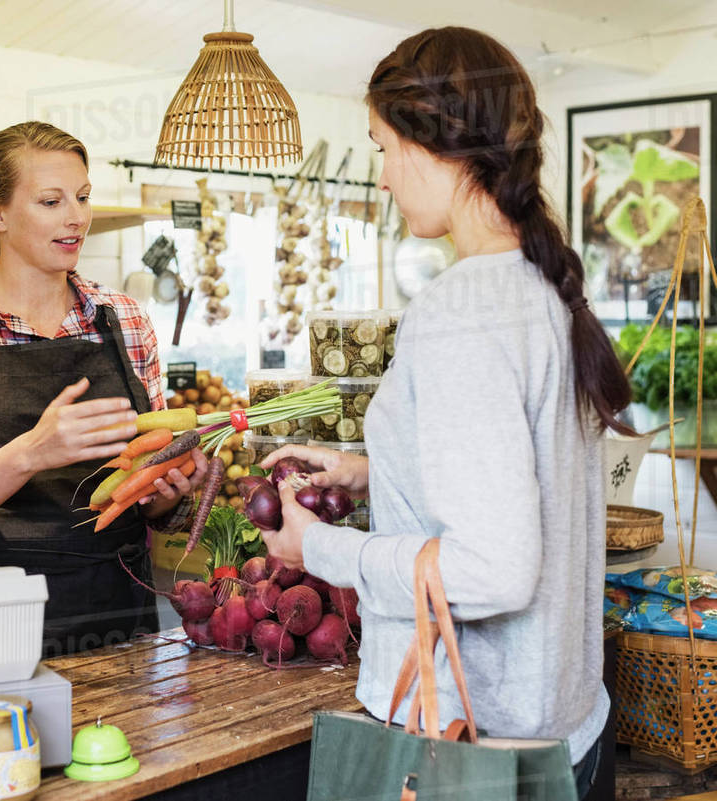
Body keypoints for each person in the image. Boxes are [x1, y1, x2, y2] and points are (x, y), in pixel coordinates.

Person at [259, 27, 630, 800]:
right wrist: (376, 472)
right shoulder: (540, 288)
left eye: (383, 147)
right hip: (570, 730)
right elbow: (523, 482)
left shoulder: (462, 308)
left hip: (476, 751)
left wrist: (319, 546)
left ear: (438, 144)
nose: (385, 178)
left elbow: (494, 569)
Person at [0, 121, 206, 657]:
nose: (76, 217)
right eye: (51, 201)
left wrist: (164, 499)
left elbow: (149, 481)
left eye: (82, 197)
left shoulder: (125, 319)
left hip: (120, 611)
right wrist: (34, 451)